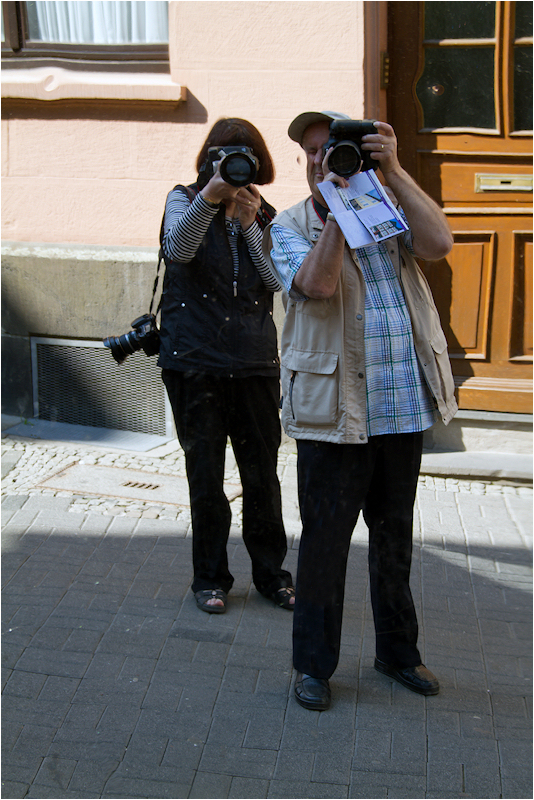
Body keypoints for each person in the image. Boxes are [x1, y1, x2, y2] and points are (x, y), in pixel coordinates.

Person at [263, 111, 457, 710]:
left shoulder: (389, 205)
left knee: (395, 541)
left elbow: (440, 243)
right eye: (314, 152)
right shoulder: (288, 224)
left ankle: (398, 654)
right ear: (304, 161)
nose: (325, 160)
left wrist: (394, 170)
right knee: (325, 545)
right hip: (334, 416)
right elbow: (316, 286)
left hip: (401, 408)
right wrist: (337, 218)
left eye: (337, 149)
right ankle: (313, 668)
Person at [159, 117, 295, 615]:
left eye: (245, 158)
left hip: (255, 362)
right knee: (206, 475)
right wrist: (211, 198)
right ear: (209, 160)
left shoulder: (262, 213)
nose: (236, 168)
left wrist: (248, 225)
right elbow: (178, 250)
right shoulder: (183, 200)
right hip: (194, 361)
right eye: (225, 156)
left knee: (262, 475)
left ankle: (272, 575)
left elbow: (278, 281)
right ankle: (209, 578)